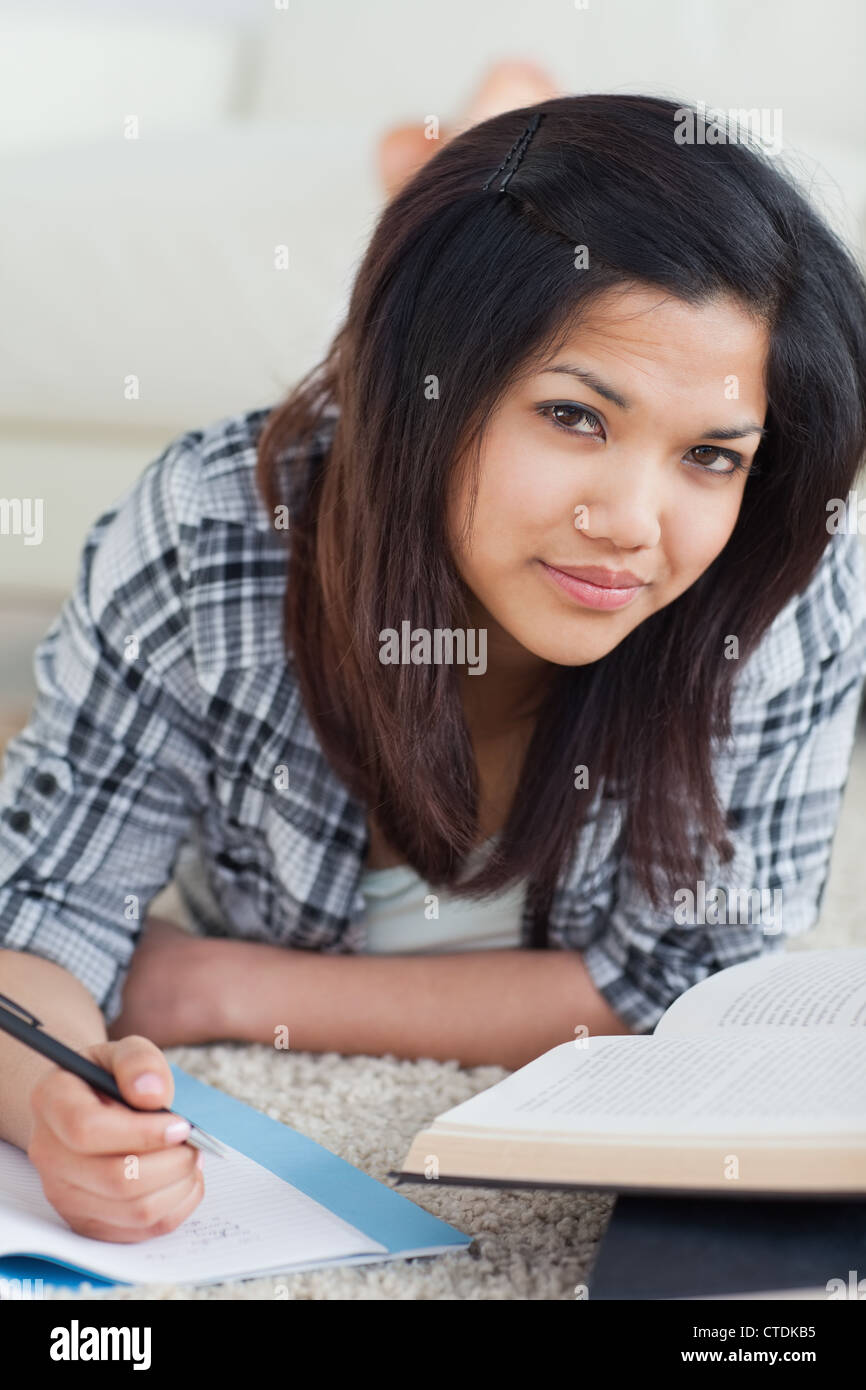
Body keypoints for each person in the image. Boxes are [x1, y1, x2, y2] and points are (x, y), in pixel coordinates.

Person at [2, 85, 866, 1246]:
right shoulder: (212, 539)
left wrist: (208, 989)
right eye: (573, 417)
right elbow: (46, 921)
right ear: (425, 383)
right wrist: (53, 1106)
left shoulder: (779, 581)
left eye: (709, 453)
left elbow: (691, 991)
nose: (631, 521)